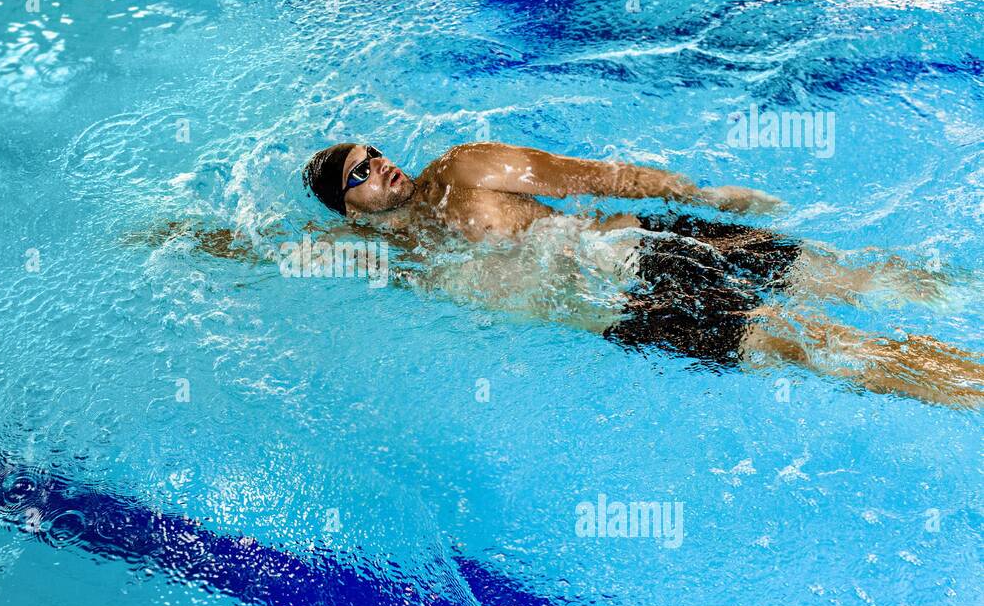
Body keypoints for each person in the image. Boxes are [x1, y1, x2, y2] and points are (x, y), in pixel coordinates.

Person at [292, 141, 984, 407]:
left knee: (849, 280)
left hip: (644, 249)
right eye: (360, 172)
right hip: (627, 312)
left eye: (374, 152)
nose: (380, 164)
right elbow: (268, 248)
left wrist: (699, 197)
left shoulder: (462, 170)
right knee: (811, 346)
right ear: (349, 210)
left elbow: (598, 176)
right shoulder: (394, 260)